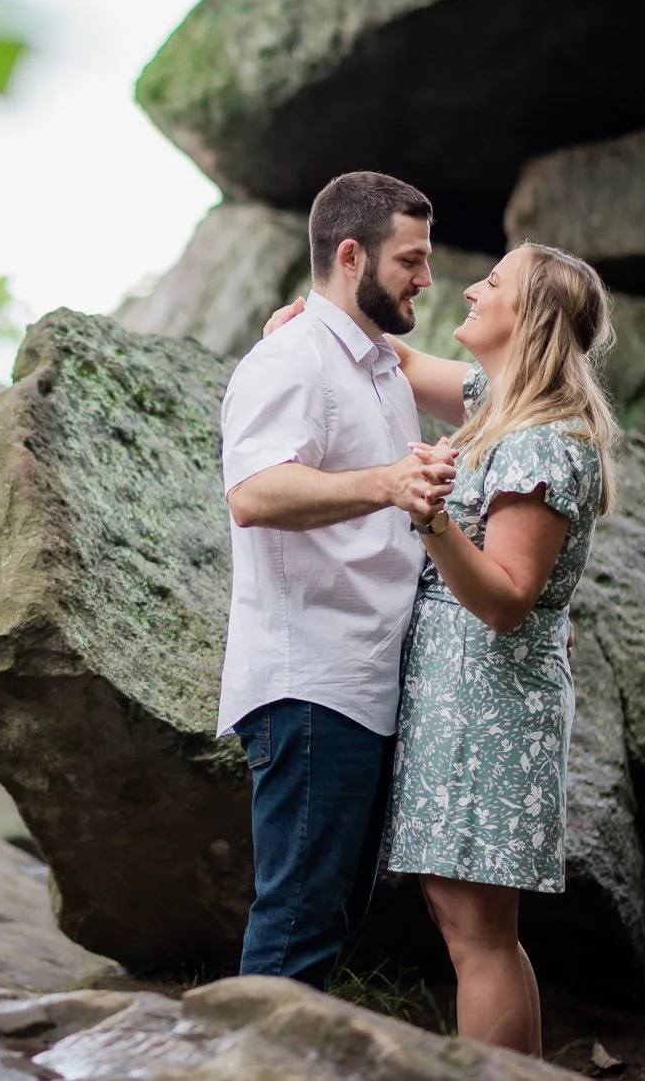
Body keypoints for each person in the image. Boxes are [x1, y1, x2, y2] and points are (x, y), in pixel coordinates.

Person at [269, 243, 615, 1055]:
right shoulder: (502, 403)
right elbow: (397, 354)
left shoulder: (536, 443)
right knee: (481, 928)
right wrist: (313, 319)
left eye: (493, 282)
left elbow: (504, 596)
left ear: (526, 320)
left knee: (477, 934)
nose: (468, 286)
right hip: (472, 696)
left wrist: (428, 518)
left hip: (486, 700)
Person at [216, 170, 455, 989]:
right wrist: (387, 482)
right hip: (310, 684)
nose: (427, 277)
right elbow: (253, 491)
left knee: (327, 918)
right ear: (351, 255)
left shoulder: (379, 360)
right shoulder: (291, 358)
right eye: (411, 260)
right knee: (297, 928)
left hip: (362, 684)